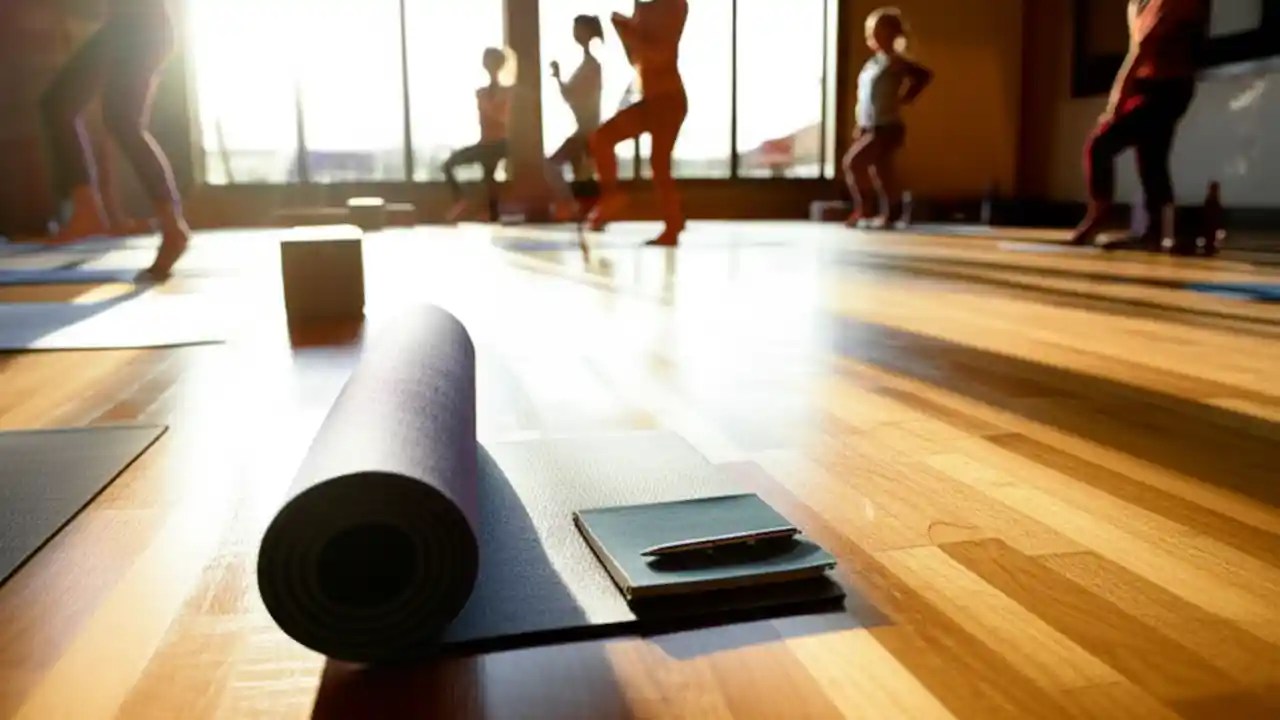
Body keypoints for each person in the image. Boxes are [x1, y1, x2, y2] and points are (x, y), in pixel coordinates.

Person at [42, 0, 189, 278]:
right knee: (114, 120)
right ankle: (169, 226)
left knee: (71, 108)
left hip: (138, 27)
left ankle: (92, 210)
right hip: (136, 27)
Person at [1070, 0, 1210, 249]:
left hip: (1170, 87)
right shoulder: (1138, 4)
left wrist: (1115, 106)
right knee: (1152, 159)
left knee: (1102, 143)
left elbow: (1141, 50)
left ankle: (1100, 216)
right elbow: (1137, 50)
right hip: (1152, 86)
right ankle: (1156, 232)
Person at [588, 0, 689, 247]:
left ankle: (673, 224)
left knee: (659, 163)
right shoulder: (644, 8)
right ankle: (611, 197)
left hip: (668, 100)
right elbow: (637, 59)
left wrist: (630, 30)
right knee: (602, 138)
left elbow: (660, 54)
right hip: (651, 100)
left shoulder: (674, 5)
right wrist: (624, 32)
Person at [843, 7, 932, 230]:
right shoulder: (872, 64)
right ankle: (890, 214)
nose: (878, 35)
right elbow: (864, 96)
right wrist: (859, 124)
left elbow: (923, 75)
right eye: (875, 31)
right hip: (870, 125)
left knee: (853, 163)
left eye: (884, 31)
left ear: (894, 34)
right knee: (881, 172)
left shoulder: (895, 61)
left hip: (887, 126)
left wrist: (907, 96)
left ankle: (864, 208)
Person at [444, 48, 515, 223]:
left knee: (489, 177)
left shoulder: (505, 92)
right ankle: (466, 201)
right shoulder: (482, 92)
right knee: (449, 165)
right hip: (485, 144)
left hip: (500, 144)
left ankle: (489, 212)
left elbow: (504, 118)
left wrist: (489, 107)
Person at [546, 15, 605, 221]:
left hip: (587, 129)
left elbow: (574, 96)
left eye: (578, 29)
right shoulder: (588, 64)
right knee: (580, 172)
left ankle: (573, 206)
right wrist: (559, 77)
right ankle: (582, 209)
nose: (575, 33)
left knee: (553, 165)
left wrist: (560, 79)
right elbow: (571, 95)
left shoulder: (592, 66)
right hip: (585, 127)